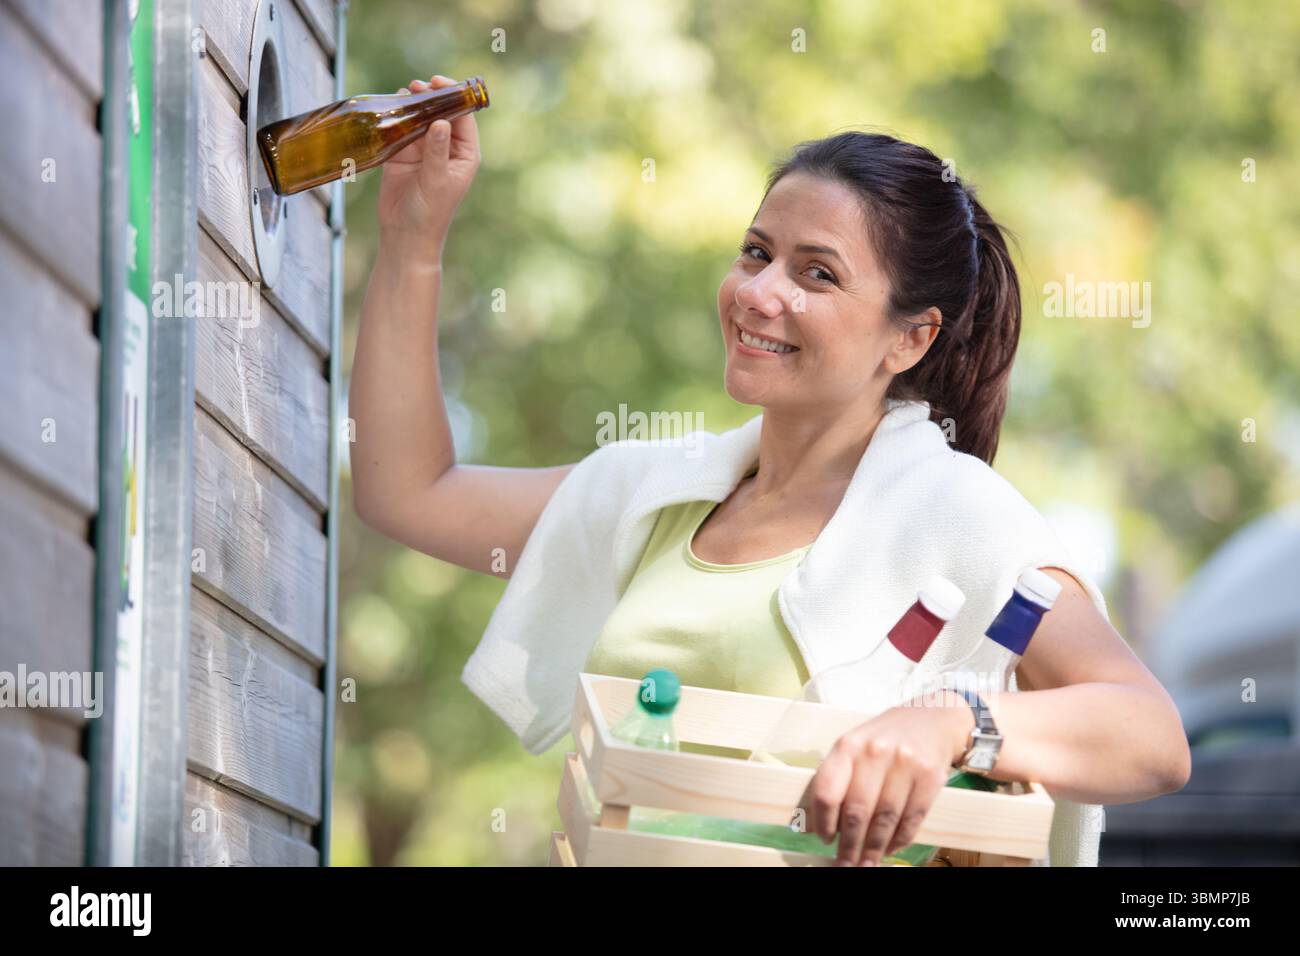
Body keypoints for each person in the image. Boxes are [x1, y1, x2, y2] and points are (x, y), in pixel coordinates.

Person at [351, 76, 1192, 867]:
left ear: (911, 338)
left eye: (816, 274)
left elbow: (1150, 736)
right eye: (757, 253)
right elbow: (408, 491)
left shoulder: (955, 517)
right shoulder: (659, 494)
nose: (759, 292)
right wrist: (414, 233)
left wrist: (950, 722)